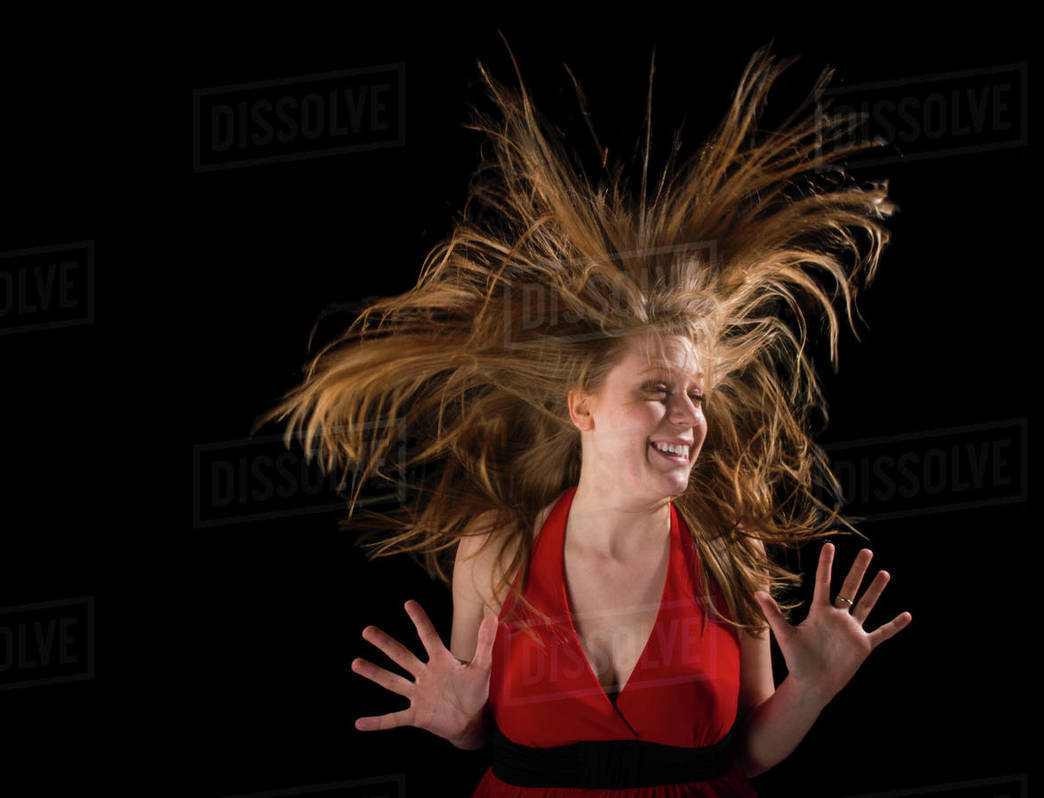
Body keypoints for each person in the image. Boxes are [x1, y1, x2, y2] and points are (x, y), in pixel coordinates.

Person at [253, 34, 912, 796]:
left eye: (697, 394)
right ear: (582, 406)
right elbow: (482, 727)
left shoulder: (731, 549)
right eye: (657, 389)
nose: (688, 416)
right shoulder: (496, 549)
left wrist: (815, 688)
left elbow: (748, 753)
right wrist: (460, 725)